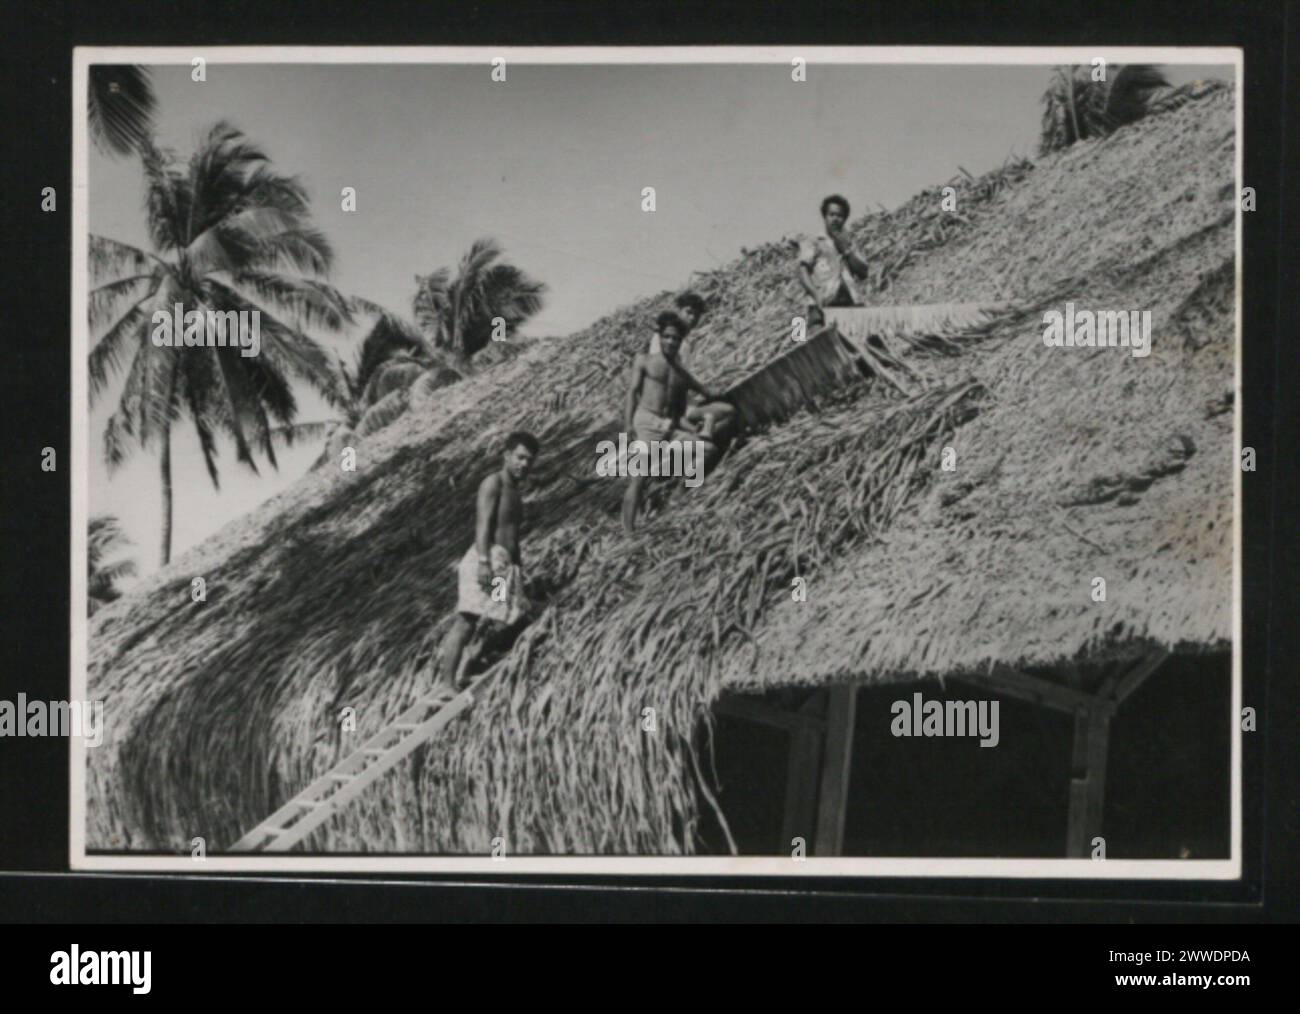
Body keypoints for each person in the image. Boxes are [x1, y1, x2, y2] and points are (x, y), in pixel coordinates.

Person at [437, 431, 539, 695]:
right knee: (467, 619)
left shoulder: (514, 492)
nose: (524, 464)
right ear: (506, 455)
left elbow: (513, 537)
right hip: (486, 560)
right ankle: (447, 683)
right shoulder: (492, 484)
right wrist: (484, 563)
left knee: (514, 613)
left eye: (529, 460)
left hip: (504, 565)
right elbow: (482, 526)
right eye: (519, 457)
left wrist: (518, 574)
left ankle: (484, 660)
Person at [621, 311, 721, 533]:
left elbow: (705, 392)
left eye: (676, 338)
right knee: (639, 477)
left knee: (708, 449)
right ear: (659, 337)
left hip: (667, 426)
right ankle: (628, 531)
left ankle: (677, 496)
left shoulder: (681, 373)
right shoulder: (645, 361)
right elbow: (632, 392)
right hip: (646, 422)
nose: (671, 341)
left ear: (681, 340)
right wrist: (628, 426)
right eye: (667, 336)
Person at [797, 194, 870, 327]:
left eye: (840, 216)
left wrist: (846, 250)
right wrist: (815, 294)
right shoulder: (814, 241)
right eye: (832, 215)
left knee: (863, 337)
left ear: (844, 219)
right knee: (817, 340)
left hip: (849, 303)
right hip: (822, 303)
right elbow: (802, 270)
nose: (835, 219)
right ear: (825, 217)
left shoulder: (850, 242)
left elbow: (863, 272)